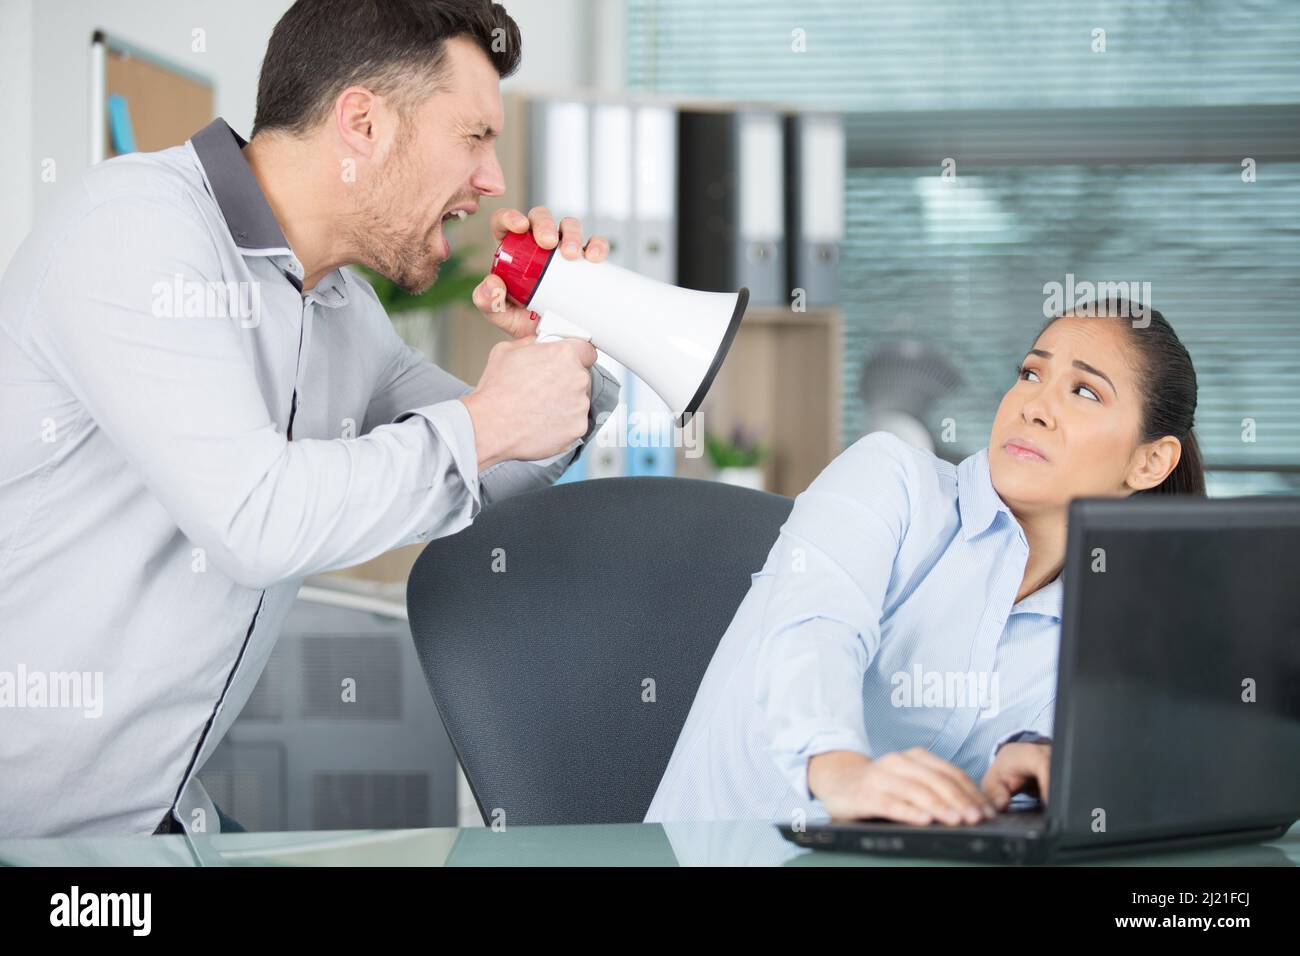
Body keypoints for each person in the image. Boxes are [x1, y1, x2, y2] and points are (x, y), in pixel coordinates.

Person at [0, 0, 619, 836]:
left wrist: (573, 339)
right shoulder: (136, 231)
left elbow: (498, 462)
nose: (494, 180)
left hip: (149, 822)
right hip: (28, 832)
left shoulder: (340, 308)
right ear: (362, 123)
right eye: (473, 137)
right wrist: (490, 419)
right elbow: (255, 520)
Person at [647, 300, 1205, 825]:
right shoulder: (890, 478)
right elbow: (813, 633)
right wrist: (841, 771)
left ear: (1151, 461)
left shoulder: (1103, 629)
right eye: (1030, 375)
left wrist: (1033, 785)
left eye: (1084, 392)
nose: (1034, 408)